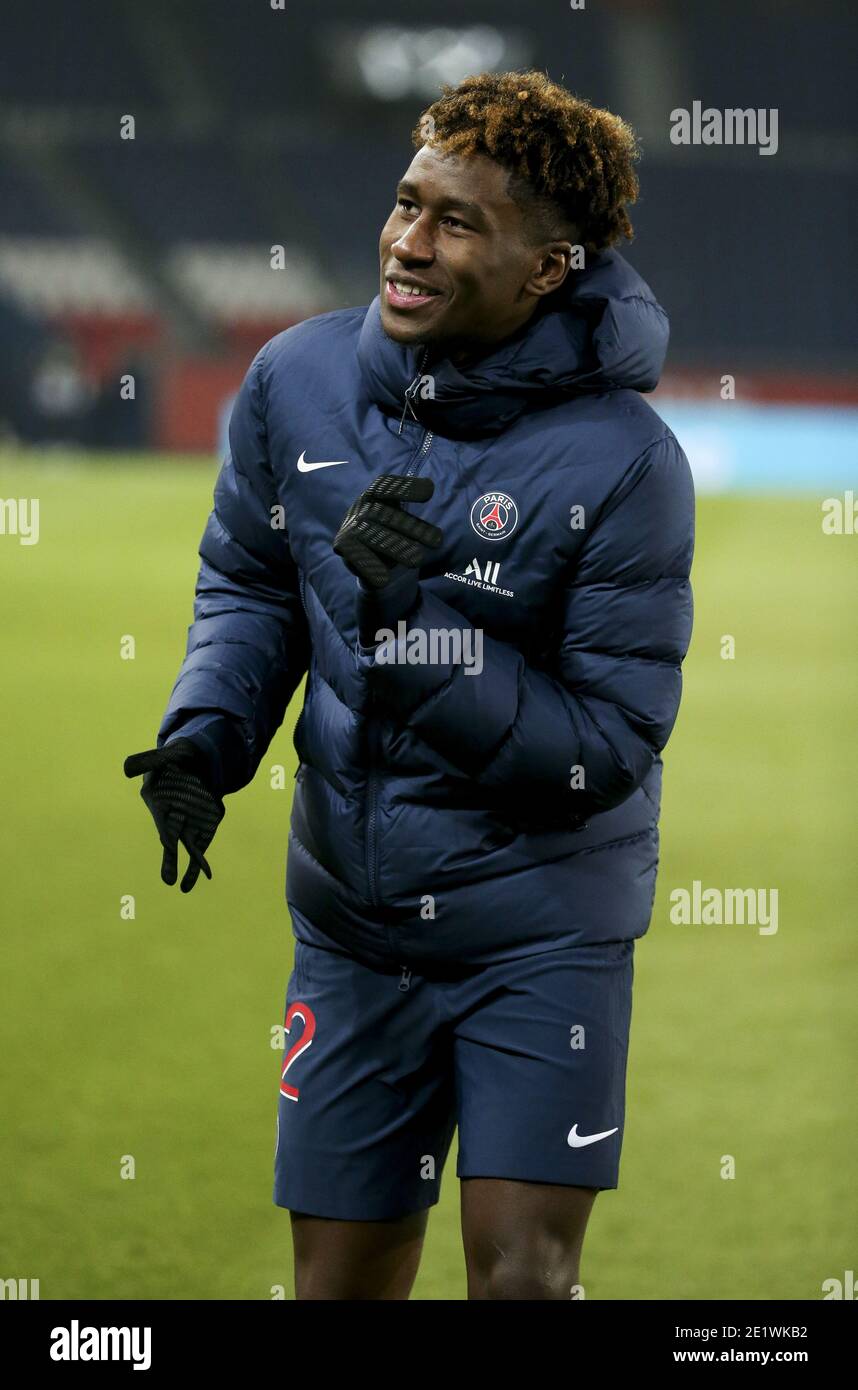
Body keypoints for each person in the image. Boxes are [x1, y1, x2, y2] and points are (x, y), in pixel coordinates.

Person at [125, 70, 694, 1300]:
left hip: (541, 934)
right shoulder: (296, 379)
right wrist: (207, 734)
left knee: (524, 1280)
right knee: (335, 1288)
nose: (408, 242)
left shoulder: (626, 464)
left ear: (548, 269)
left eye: (456, 222)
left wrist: (411, 629)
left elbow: (604, 748)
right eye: (406, 203)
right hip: (351, 925)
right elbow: (253, 584)